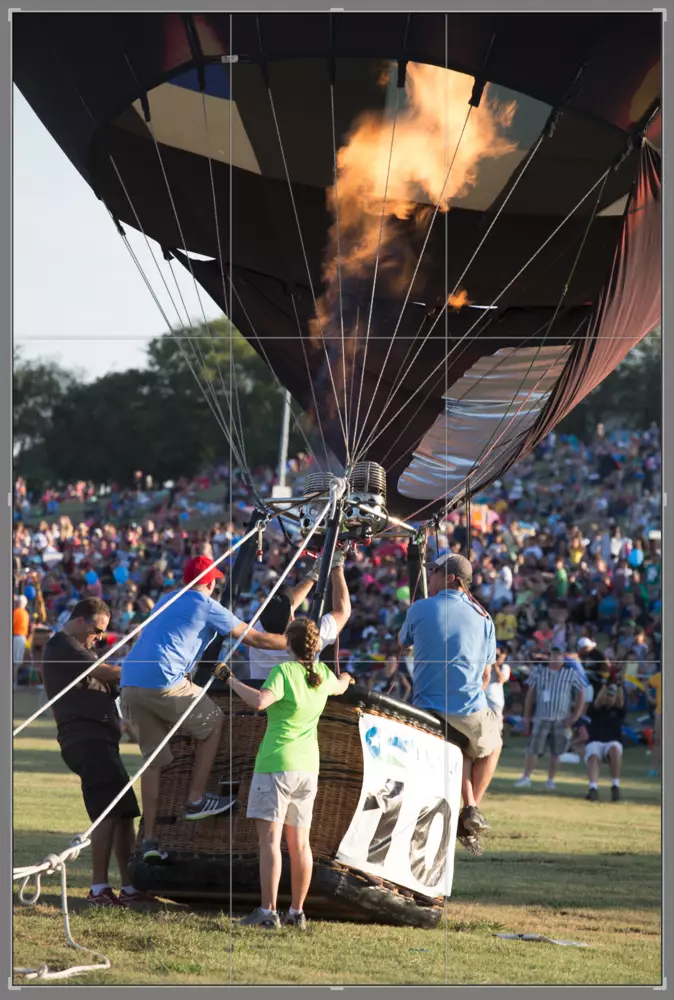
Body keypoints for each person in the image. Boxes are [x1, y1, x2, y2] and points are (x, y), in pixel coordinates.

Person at [120, 555, 288, 862]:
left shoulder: (166, 599)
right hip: (164, 680)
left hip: (129, 682)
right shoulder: (207, 606)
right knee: (214, 721)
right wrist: (298, 642)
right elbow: (257, 639)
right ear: (210, 583)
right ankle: (196, 799)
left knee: (153, 761)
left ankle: (150, 840)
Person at [222, 617, 354, 929]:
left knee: (270, 843)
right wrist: (347, 677)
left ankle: (267, 912)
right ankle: (297, 912)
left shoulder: (283, 672)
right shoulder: (321, 674)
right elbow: (341, 685)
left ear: (288, 645)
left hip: (276, 764)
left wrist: (229, 679)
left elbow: (258, 702)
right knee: (300, 845)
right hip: (309, 768)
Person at [41, 598, 147, 908]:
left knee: (125, 811)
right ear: (79, 620)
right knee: (107, 812)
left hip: (102, 740)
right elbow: (108, 673)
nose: (99, 637)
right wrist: (147, 662)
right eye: (96, 630)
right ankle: (99, 887)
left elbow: (112, 682)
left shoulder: (83, 649)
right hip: (85, 739)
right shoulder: (62, 646)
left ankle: (129, 886)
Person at [399, 553, 501, 857]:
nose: (429, 575)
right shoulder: (484, 618)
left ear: (451, 578)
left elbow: (402, 643)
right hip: (466, 710)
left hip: (425, 709)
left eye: (434, 571)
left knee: (460, 744)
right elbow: (485, 676)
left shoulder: (419, 608)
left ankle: (469, 809)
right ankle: (471, 809)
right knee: (492, 744)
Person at [248, 551, 351, 681]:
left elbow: (286, 608)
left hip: (263, 697)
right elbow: (343, 611)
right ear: (291, 618)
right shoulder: (308, 641)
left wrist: (314, 574)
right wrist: (337, 567)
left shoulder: (256, 632)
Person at [514, 646, 587, 791]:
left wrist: (575, 715)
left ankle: (551, 780)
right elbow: (531, 695)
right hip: (542, 717)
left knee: (556, 751)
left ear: (563, 657)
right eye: (553, 655)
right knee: (533, 749)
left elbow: (582, 693)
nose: (555, 658)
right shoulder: (539, 672)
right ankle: (526, 777)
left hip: (561, 719)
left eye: (558, 655)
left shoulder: (570, 673)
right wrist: (527, 716)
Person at [584, 681, 627, 801]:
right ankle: (593, 788)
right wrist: (604, 684)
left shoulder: (619, 712)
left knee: (614, 749)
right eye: (607, 695)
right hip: (595, 741)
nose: (609, 698)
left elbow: (620, 701)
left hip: (612, 742)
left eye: (611, 696)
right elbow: (597, 701)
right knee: (593, 756)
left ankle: (615, 786)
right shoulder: (595, 710)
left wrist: (618, 685)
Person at [483, 646, 511, 734]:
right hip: (484, 698)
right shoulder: (487, 666)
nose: (497, 658)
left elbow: (501, 679)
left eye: (499, 656)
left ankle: (499, 740)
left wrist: (495, 665)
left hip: (496, 701)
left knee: (497, 722)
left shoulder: (505, 667)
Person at [13, 594, 32, 688]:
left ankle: (14, 682)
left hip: (17, 637)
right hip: (23, 638)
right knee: (17, 661)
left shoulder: (17, 612)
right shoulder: (26, 613)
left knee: (15, 662)